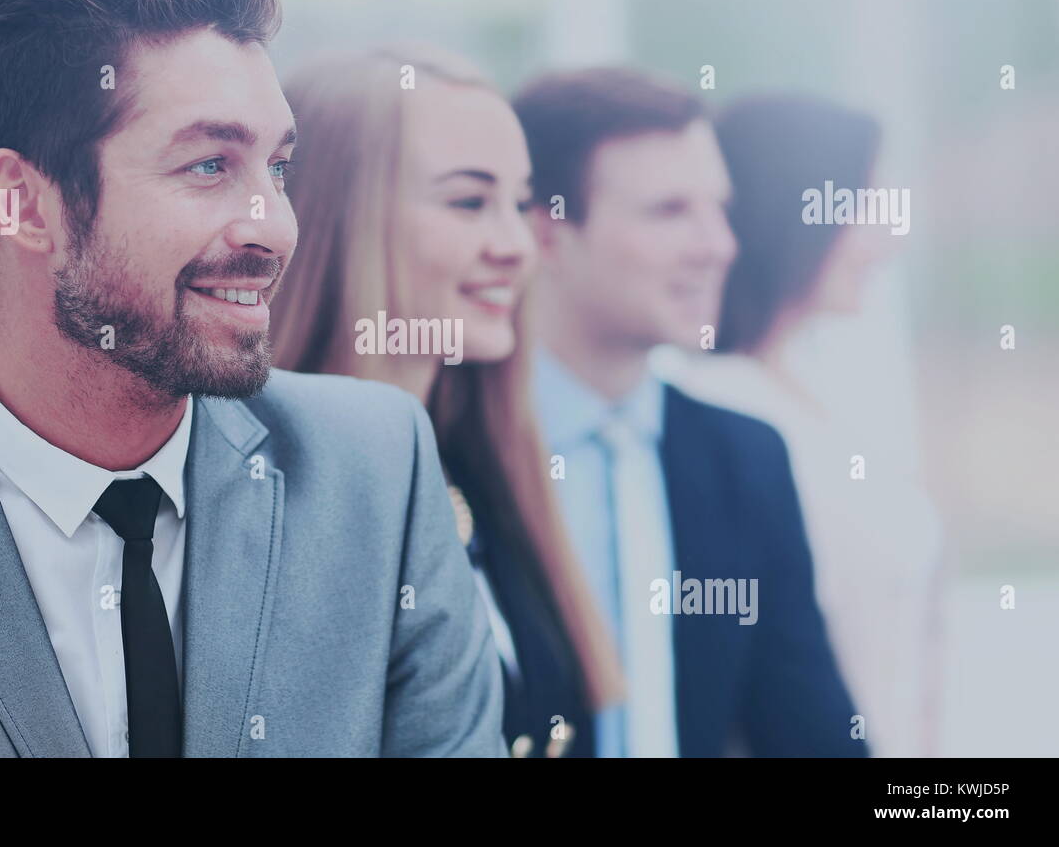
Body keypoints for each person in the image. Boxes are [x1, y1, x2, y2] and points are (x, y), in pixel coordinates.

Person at [0, 0, 505, 758]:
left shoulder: (376, 470)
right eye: (210, 165)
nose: (276, 227)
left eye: (279, 169)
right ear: (23, 203)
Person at [270, 45, 624, 758]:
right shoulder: (258, 511)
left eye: (520, 204)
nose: (518, 245)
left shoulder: (485, 477)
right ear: (338, 218)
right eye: (469, 201)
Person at [512, 67, 866, 757]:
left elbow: (812, 736)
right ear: (548, 235)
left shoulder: (746, 458)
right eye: (671, 210)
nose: (718, 245)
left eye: (720, 210)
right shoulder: (442, 450)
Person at [653, 94, 945, 756]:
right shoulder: (716, 423)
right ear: (793, 213)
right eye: (860, 206)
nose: (886, 240)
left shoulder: (824, 393)